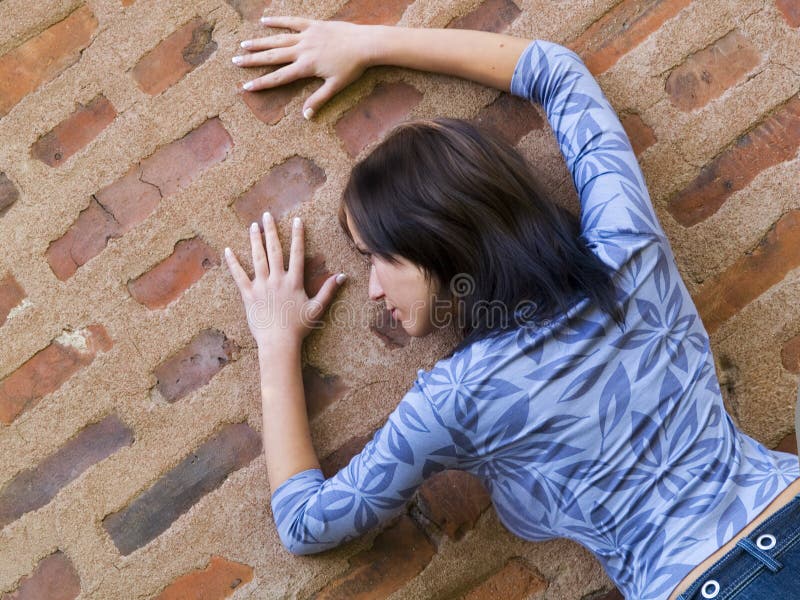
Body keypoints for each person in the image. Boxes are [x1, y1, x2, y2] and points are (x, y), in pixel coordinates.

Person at [224, 15, 800, 600]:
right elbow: (557, 74)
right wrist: (369, 42)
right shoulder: (627, 248)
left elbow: (306, 522)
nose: (372, 288)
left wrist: (275, 340)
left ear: (433, 240)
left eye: (377, 257)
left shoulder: (456, 399)